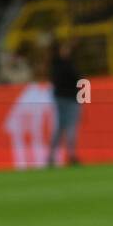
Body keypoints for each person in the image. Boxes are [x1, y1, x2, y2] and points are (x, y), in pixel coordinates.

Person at [49, 36, 82, 167]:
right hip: (67, 99)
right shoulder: (63, 65)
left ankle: (57, 156)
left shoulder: (59, 64)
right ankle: (68, 155)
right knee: (67, 127)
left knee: (63, 128)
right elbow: (78, 79)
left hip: (66, 98)